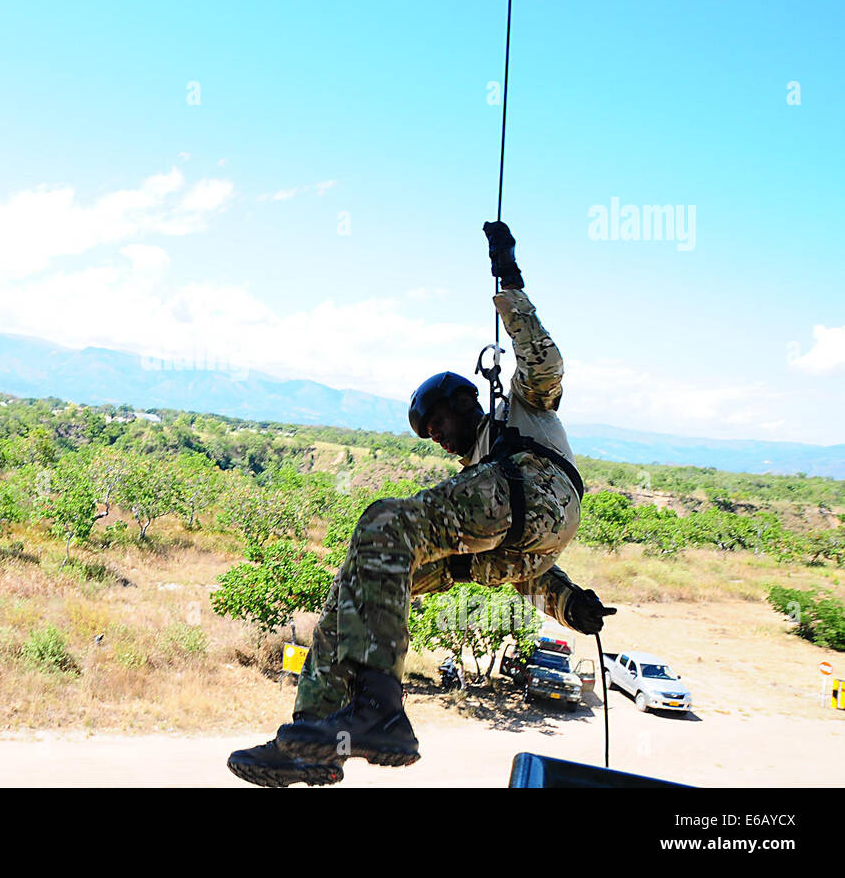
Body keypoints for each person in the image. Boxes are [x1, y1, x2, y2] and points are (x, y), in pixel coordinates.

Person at [227, 220, 615, 788]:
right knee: (354, 587)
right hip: (520, 542)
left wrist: (508, 276)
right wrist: (567, 603)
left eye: (437, 423)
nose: (438, 436)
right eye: (429, 433)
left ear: (465, 399)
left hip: (535, 486)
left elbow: (543, 361)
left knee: (385, 523)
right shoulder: (481, 474)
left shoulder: (520, 412)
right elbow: (522, 567)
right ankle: (314, 738)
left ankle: (381, 709)